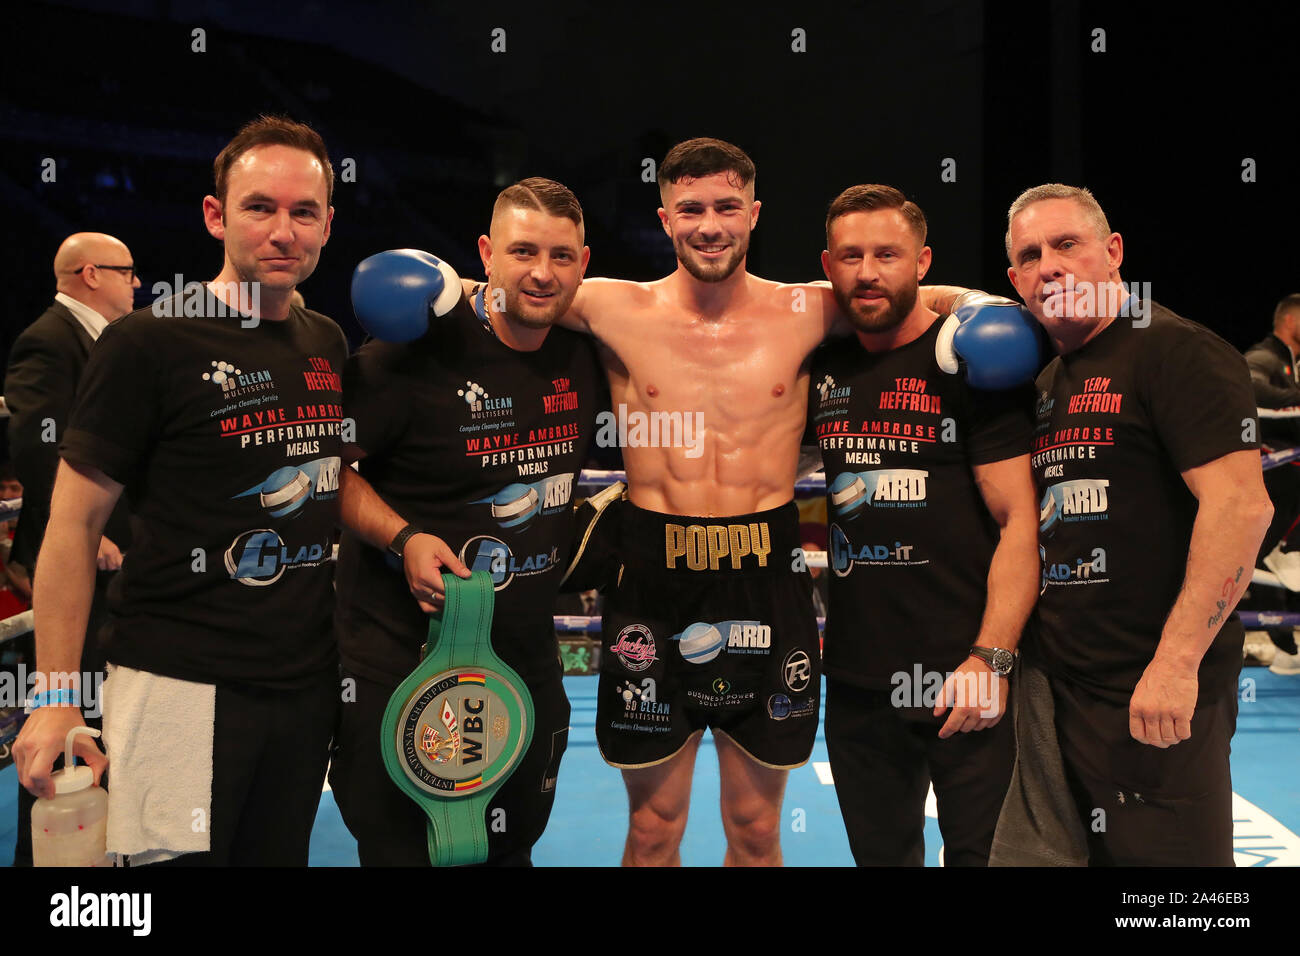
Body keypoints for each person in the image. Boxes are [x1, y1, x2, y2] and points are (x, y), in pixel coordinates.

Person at [537, 138, 1019, 866]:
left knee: (758, 832)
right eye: (691, 208)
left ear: (753, 213)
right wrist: (443, 290)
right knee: (652, 828)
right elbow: (511, 290)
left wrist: (982, 306)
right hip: (651, 585)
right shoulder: (609, 304)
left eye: (727, 206)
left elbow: (907, 291)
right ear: (665, 217)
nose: (710, 224)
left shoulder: (808, 309)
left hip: (766, 581)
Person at [12, 115, 345, 866]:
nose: (283, 230)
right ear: (215, 215)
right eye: (260, 207)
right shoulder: (149, 341)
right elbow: (69, 529)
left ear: (328, 222)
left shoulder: (326, 339)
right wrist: (55, 693)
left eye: (304, 211)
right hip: (176, 685)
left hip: (301, 687)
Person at [332, 177, 602, 865]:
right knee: (402, 854)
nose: (542, 272)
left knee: (509, 852)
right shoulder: (411, 355)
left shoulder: (583, 350)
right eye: (523, 251)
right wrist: (403, 536)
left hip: (524, 661)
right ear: (485, 253)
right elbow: (323, 470)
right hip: (403, 656)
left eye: (562, 256)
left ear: (584, 262)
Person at [1006, 183, 1271, 865]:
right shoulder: (1048, 380)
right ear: (1015, 282)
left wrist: (1177, 663)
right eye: (1030, 256)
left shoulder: (1176, 349)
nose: (1050, 266)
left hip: (1152, 689)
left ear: (1113, 251)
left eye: (1067, 244)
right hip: (1060, 693)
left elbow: (1242, 506)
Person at [812, 184, 1038, 865]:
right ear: (829, 265)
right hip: (856, 681)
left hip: (964, 671)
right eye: (851, 255)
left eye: (888, 254)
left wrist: (991, 657)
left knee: (982, 858)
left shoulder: (970, 361)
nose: (868, 271)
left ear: (922, 262)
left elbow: (1020, 521)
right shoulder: (822, 359)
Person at [3, 231, 139, 866]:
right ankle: (48, 867)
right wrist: (90, 528)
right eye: (128, 272)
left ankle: (95, 857)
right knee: (63, 726)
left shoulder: (109, 342)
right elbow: (37, 441)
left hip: (112, 570)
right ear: (91, 274)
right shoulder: (50, 339)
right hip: (79, 560)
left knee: (98, 726)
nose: (137, 284)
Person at [1243, 294, 1300, 674]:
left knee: (1258, 557)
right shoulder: (1265, 357)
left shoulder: (1291, 363)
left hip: (1282, 477)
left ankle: (1286, 650)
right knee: (1256, 554)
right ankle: (1285, 547)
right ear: (1290, 320)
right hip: (1267, 471)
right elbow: (1249, 391)